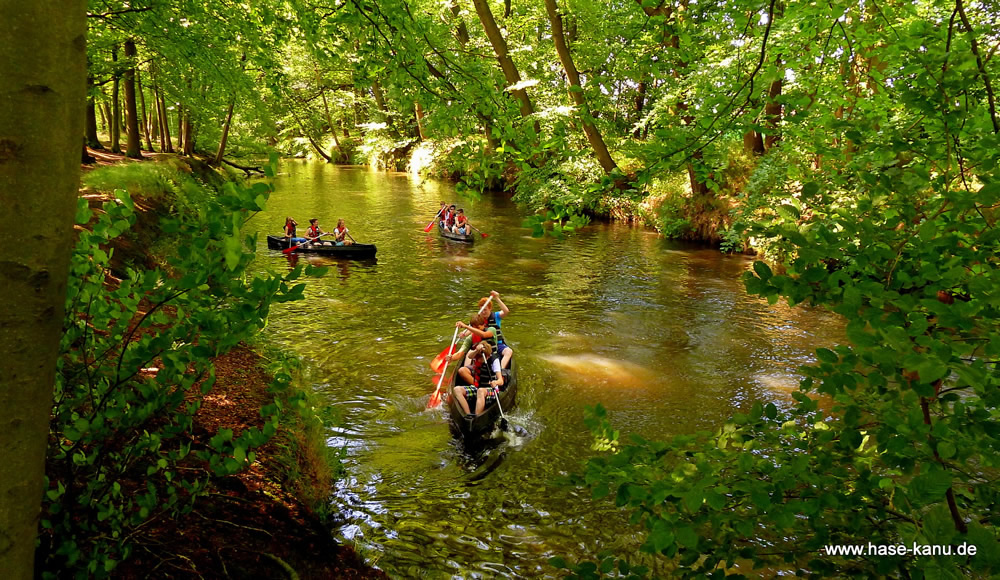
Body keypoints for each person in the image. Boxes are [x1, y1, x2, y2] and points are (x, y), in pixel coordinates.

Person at [452, 341, 503, 419]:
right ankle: (468, 415)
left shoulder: (494, 360)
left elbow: (501, 381)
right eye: (477, 357)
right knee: (457, 389)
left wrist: (495, 382)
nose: (478, 360)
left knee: (481, 391)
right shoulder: (476, 356)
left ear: (487, 356)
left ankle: (477, 417)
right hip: (478, 387)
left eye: (480, 358)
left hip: (491, 390)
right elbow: (469, 356)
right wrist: (476, 350)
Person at [479, 291, 513, 369]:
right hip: (485, 345)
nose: (483, 312)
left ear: (490, 309)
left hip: (498, 345)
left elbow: (506, 311)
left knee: (509, 351)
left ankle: (500, 370)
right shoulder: (479, 319)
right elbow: (472, 329)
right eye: (482, 310)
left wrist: (497, 298)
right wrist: (463, 334)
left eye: (485, 310)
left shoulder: (497, 316)